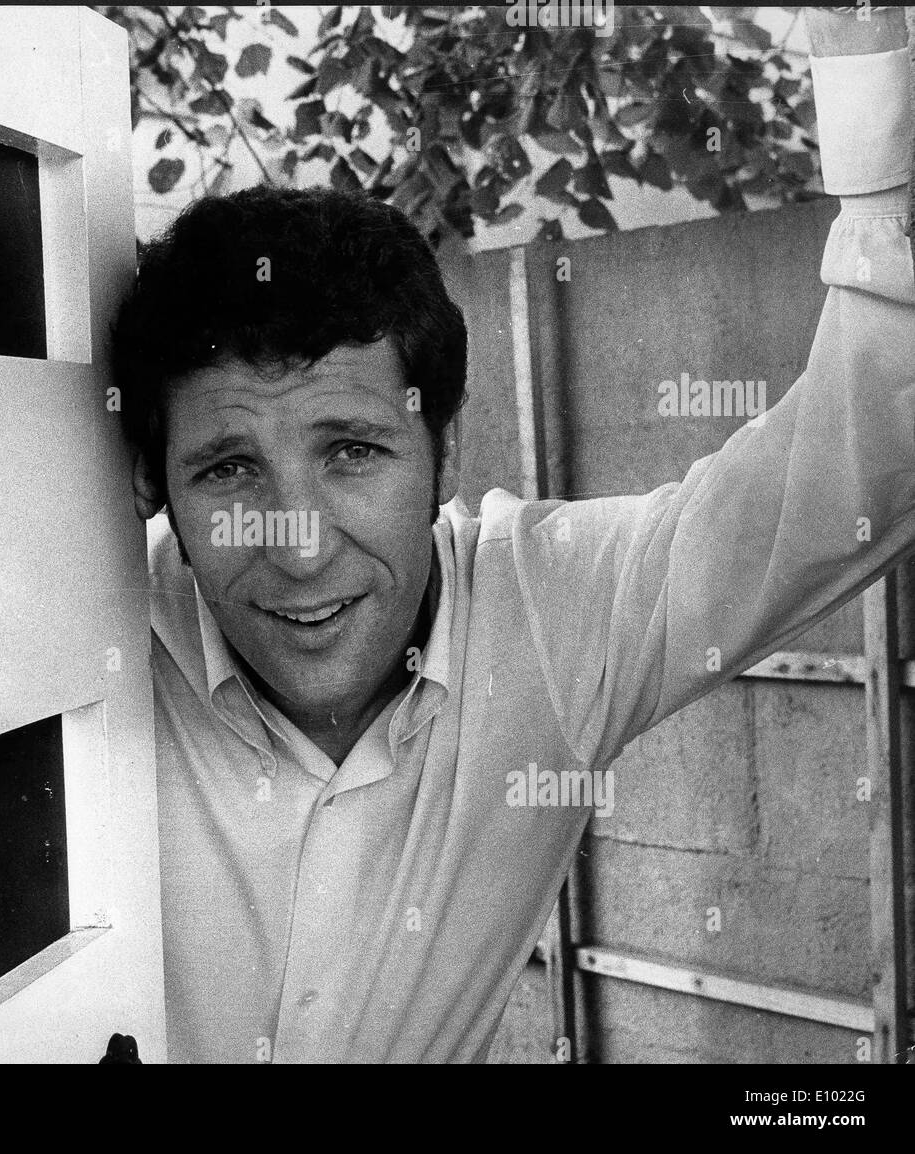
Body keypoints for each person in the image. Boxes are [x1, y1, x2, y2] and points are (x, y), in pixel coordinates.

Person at [111, 7, 915, 1063]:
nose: (299, 546)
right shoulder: (85, 653)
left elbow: (855, 459)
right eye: (227, 468)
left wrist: (865, 61)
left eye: (351, 451)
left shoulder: (554, 610)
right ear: (149, 482)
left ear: (444, 449)